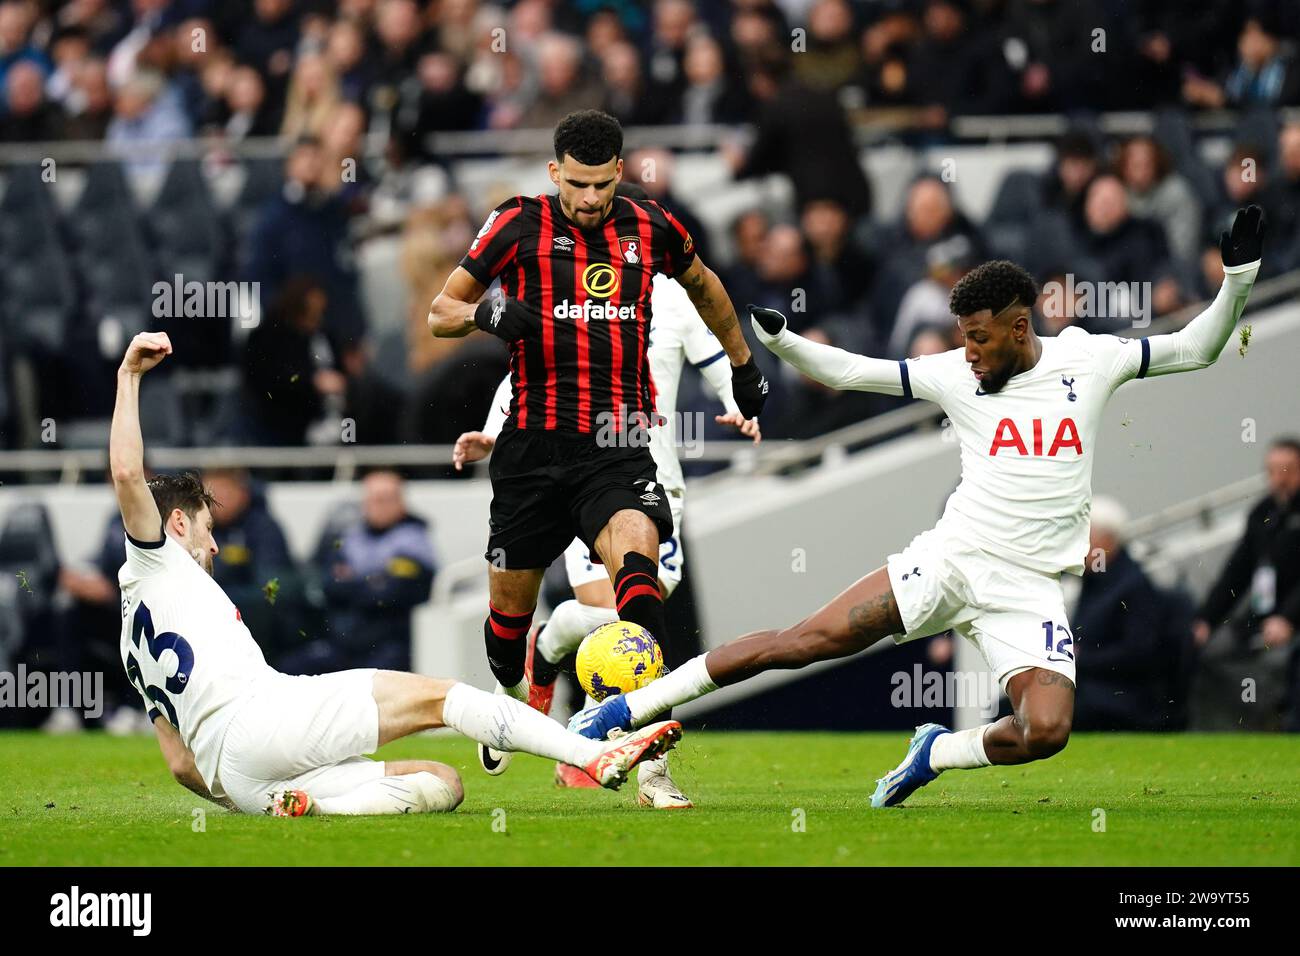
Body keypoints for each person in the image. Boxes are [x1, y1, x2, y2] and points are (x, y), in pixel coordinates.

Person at [570, 206, 1266, 807]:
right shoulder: (956, 374)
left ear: (1020, 329)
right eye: (962, 336)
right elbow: (850, 371)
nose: (966, 352)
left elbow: (1199, 347)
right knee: (800, 643)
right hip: (949, 562)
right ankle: (626, 708)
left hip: (1029, 587)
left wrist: (1237, 281)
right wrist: (780, 341)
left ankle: (935, 754)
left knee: (1045, 732)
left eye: (978, 337)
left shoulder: (1090, 359)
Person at [110, 331, 681, 817]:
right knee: (445, 698)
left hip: (238, 772)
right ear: (177, 523)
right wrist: (129, 376)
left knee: (443, 782)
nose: (213, 542)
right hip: (265, 717)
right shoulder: (154, 557)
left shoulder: (132, 627)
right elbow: (126, 472)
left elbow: (182, 765)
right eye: (207, 528)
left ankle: (313, 807)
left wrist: (247, 795)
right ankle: (590, 753)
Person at [426, 110, 767, 748]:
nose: (588, 199)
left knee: (640, 575)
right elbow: (440, 312)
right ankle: (508, 693)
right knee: (506, 628)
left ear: (619, 172)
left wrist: (743, 368)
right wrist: (488, 312)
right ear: (555, 172)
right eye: (575, 185)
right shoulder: (515, 222)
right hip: (531, 448)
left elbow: (707, 287)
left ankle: (640, 729)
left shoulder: (651, 225)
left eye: (600, 185)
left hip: (617, 444)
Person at [1192, 437, 1300, 730]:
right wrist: (1206, 619)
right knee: (1211, 653)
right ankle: (1225, 731)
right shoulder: (1263, 513)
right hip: (1258, 618)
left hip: (1289, 623)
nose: (1279, 479)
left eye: (1287, 470)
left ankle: (1278, 728)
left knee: (1275, 665)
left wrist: (1288, 619)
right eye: (1273, 471)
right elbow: (1236, 572)